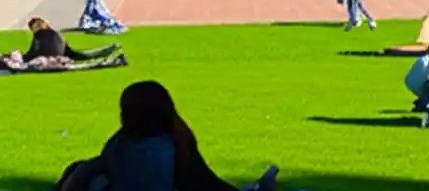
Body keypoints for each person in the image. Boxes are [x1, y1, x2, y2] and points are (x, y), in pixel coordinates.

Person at [55, 80, 277, 191]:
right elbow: (205, 180)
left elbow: (89, 170)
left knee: (80, 170)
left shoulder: (123, 143)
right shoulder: (174, 142)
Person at [25, 18, 121, 64]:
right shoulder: (56, 32)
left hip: (51, 56)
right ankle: (110, 48)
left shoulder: (38, 35)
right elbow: (66, 48)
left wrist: (24, 58)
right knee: (88, 55)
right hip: (63, 53)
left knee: (86, 55)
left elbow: (33, 51)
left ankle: (109, 49)